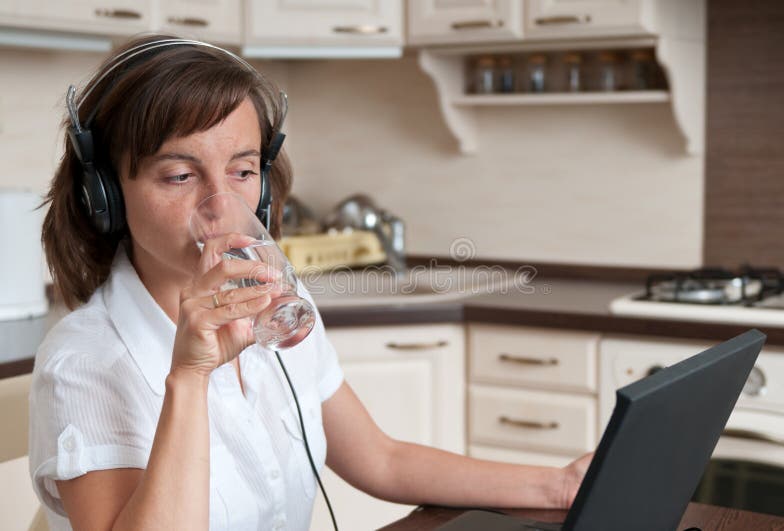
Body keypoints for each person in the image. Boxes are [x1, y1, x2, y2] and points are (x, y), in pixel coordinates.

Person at [29, 34, 591, 531]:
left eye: (243, 171)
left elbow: (382, 460)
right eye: (179, 174)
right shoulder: (84, 363)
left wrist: (558, 486)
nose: (218, 203)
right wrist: (190, 377)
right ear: (101, 195)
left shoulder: (277, 306)